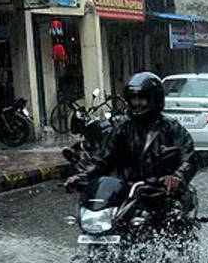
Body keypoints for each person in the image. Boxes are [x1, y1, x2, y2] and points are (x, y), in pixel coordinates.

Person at [65, 71, 196, 197]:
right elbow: (102, 160)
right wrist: (80, 177)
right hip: (129, 191)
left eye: (142, 98)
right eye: (134, 99)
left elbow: (189, 158)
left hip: (162, 192)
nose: (137, 103)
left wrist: (177, 176)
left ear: (155, 99)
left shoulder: (171, 127)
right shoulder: (122, 128)